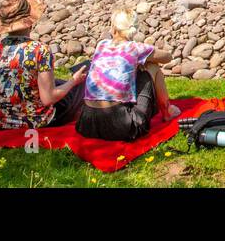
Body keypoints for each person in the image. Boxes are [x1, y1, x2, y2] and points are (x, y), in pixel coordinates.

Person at [0, 0, 87, 130]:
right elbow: (48, 98)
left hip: (4, 123)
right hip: (38, 122)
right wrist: (74, 81)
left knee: (57, 82)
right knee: (79, 86)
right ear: (30, 23)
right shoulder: (39, 51)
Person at [76, 8, 181, 142]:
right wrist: (145, 58)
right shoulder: (136, 48)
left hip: (87, 123)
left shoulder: (101, 45)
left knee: (137, 68)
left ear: (113, 27)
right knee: (152, 67)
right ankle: (167, 111)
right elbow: (167, 57)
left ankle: (165, 109)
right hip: (121, 126)